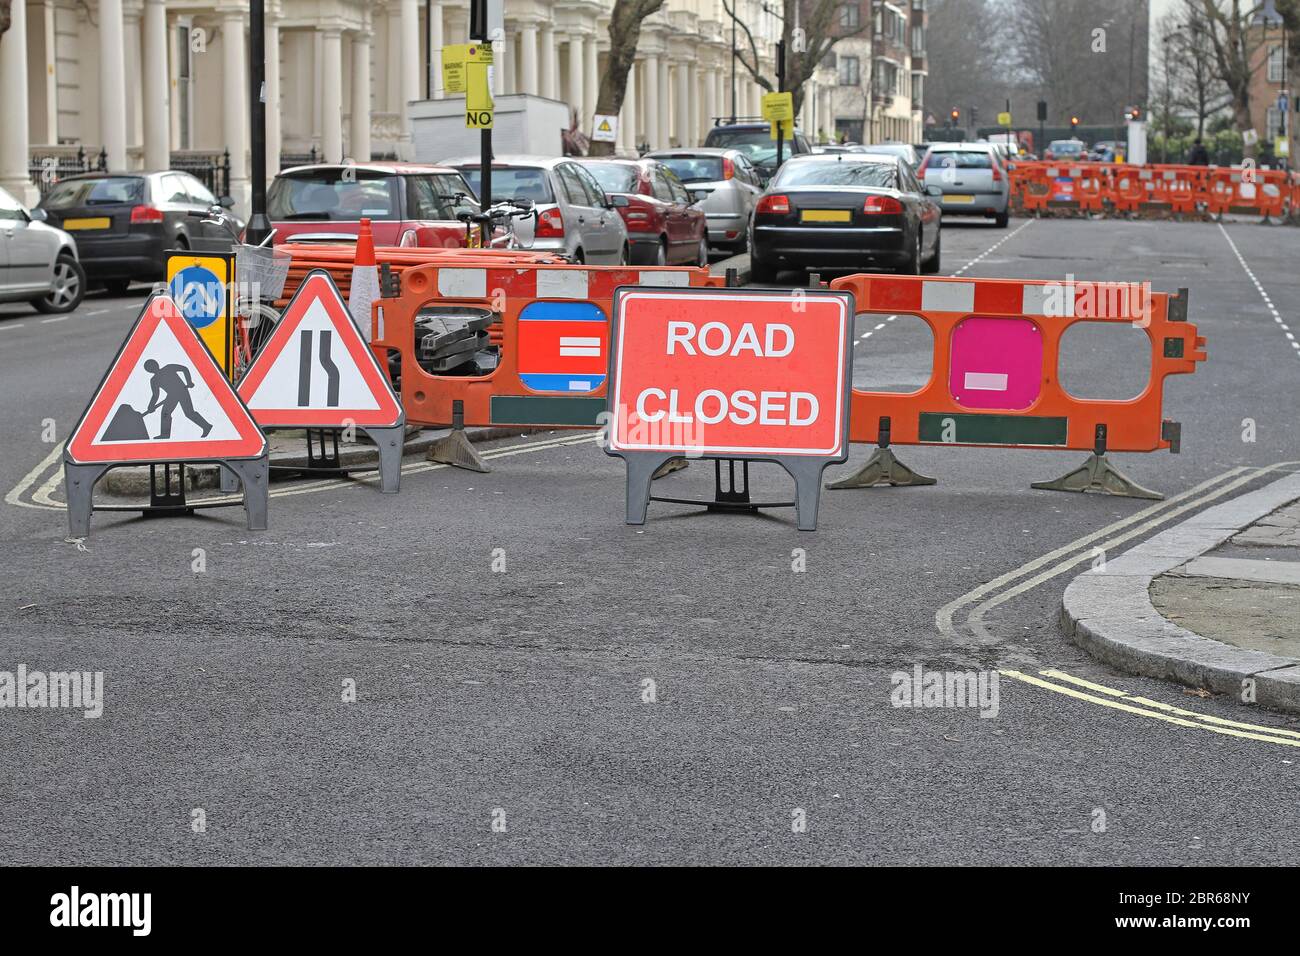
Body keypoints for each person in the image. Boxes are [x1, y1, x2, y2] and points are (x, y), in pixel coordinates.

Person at [142, 359, 212, 439]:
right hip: (171, 396)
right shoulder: (154, 380)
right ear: (149, 371)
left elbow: (184, 369)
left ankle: (206, 426)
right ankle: (165, 434)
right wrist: (151, 406)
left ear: (156, 364)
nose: (152, 368)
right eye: (150, 368)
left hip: (182, 391)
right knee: (165, 413)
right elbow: (155, 395)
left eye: (152, 366)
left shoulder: (168, 368)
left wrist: (189, 382)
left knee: (189, 413)